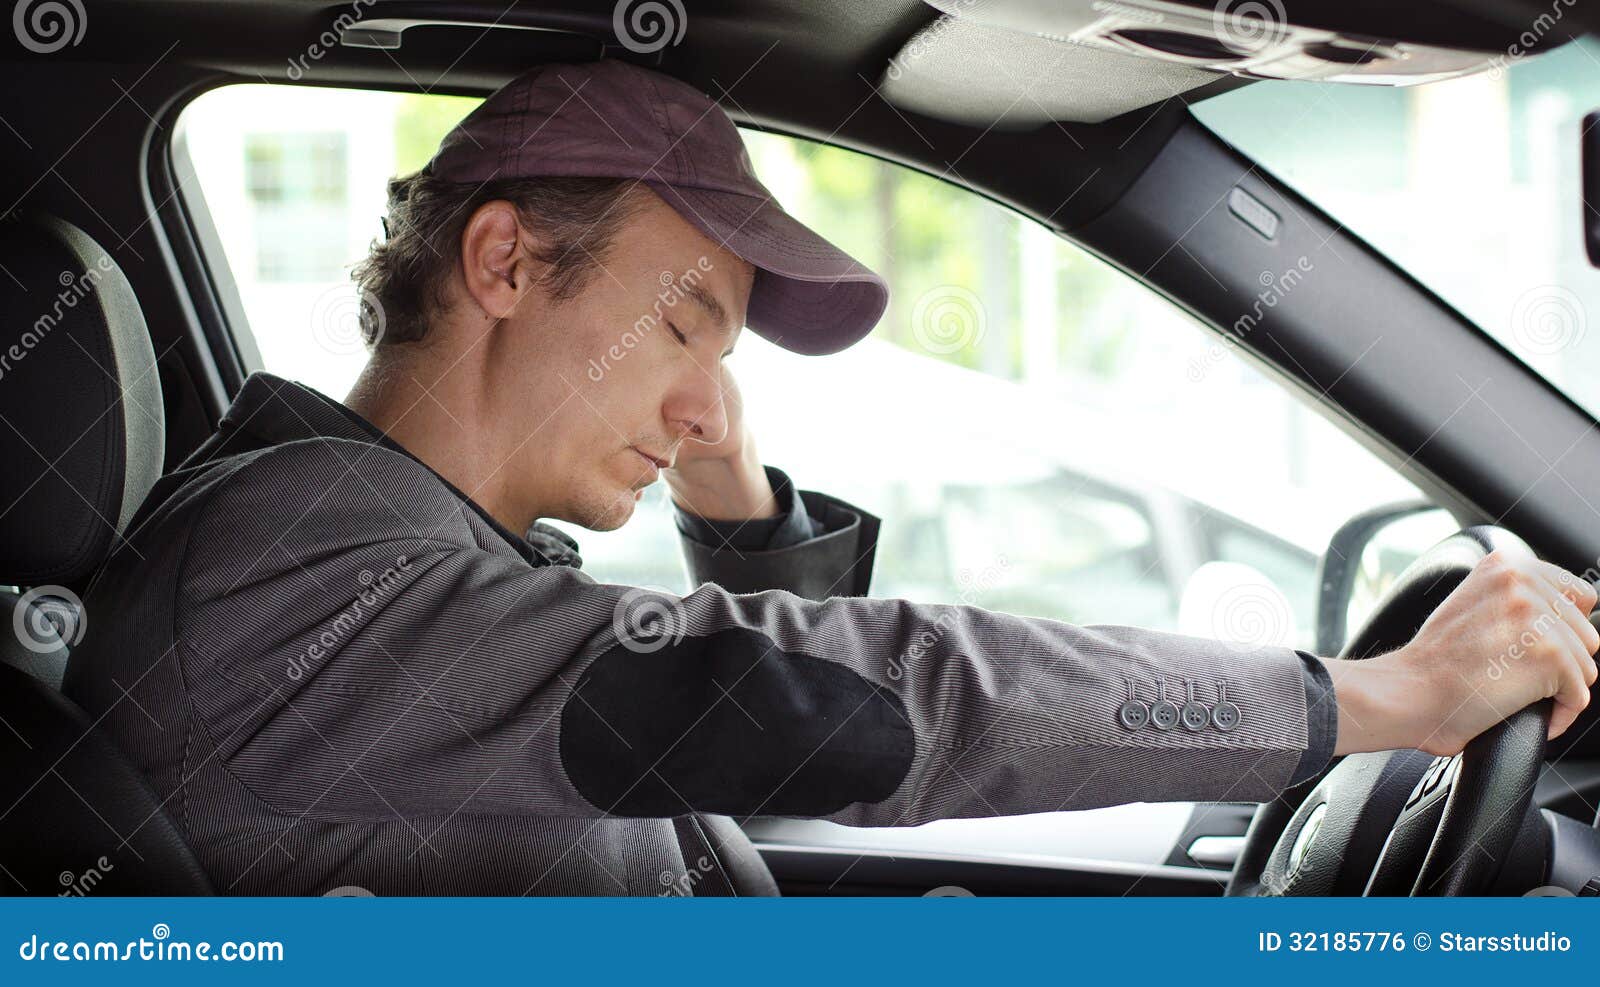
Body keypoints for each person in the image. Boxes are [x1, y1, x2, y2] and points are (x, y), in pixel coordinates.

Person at [67, 60, 1599, 895]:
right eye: (685, 320)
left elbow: (688, 732)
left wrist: (718, 482)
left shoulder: (397, 549)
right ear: (505, 260)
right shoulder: (291, 591)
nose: (704, 397)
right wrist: (1364, 702)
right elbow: (819, 700)